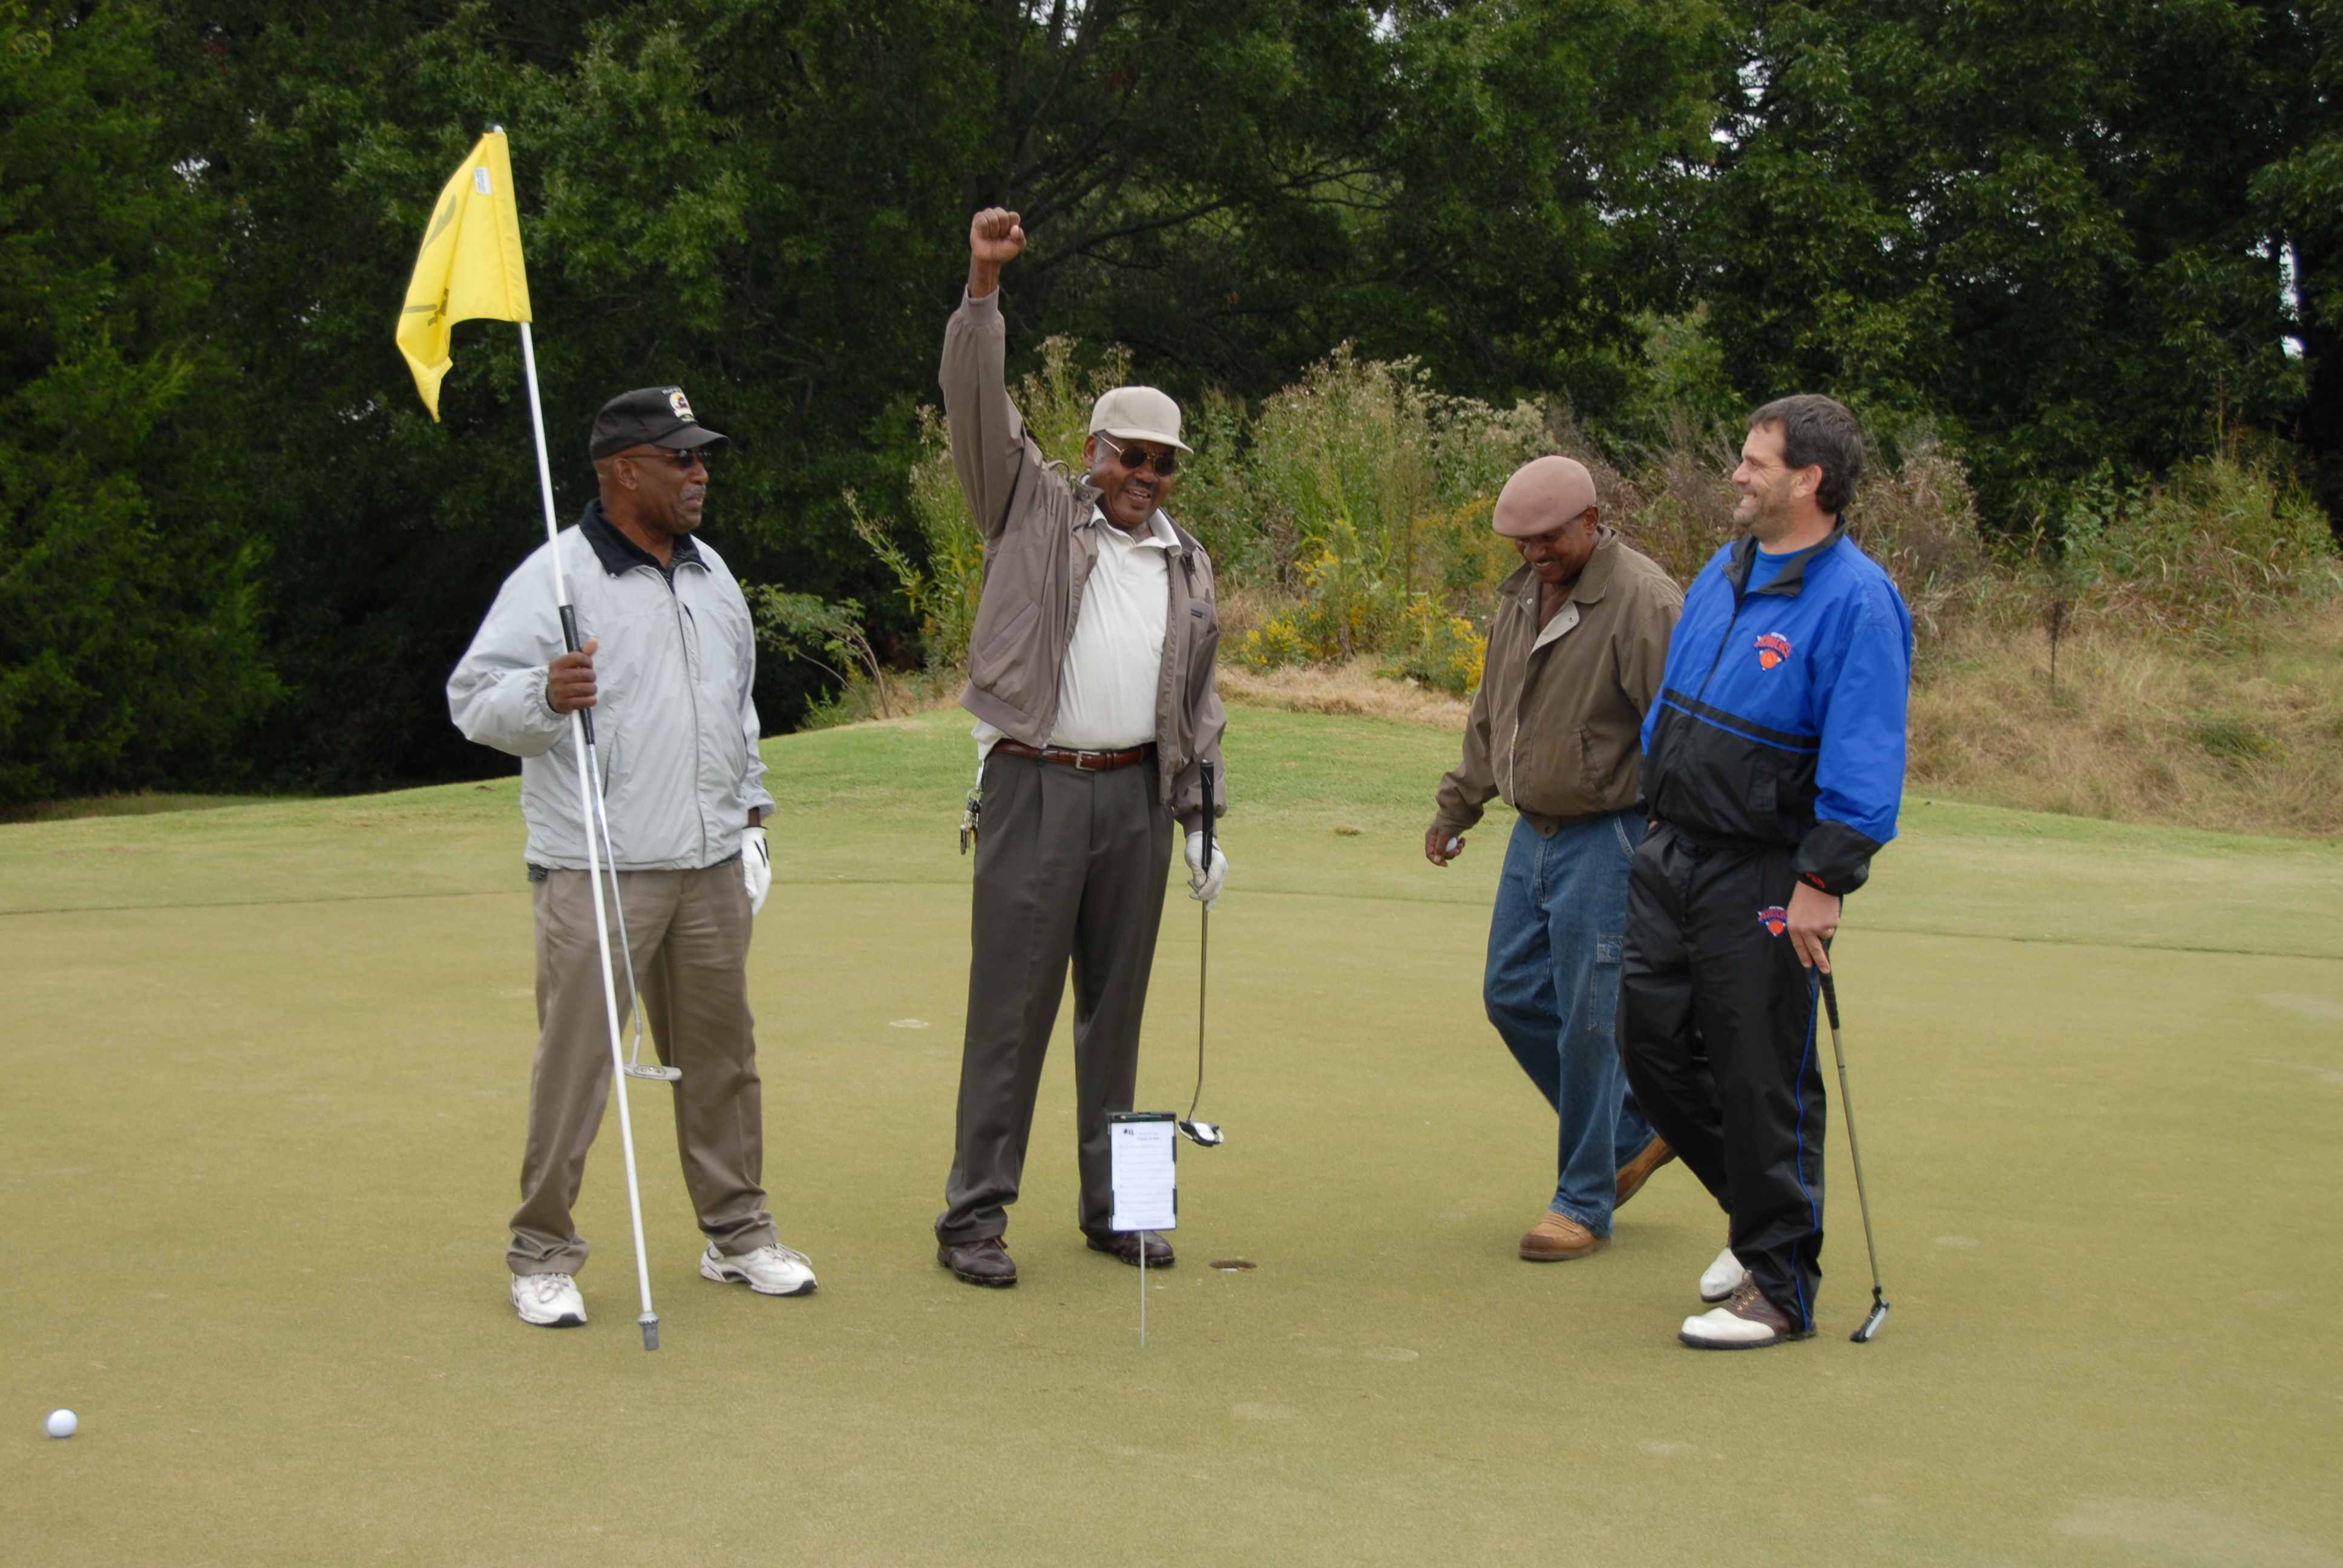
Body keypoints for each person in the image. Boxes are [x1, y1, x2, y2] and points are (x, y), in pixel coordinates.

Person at [448, 385, 816, 1328]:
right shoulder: (558, 578)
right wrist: (544, 694)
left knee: (723, 1061)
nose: (700, 474)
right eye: (679, 458)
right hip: (597, 867)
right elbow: (474, 700)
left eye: (702, 457)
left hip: (711, 862)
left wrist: (752, 817)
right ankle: (541, 1253)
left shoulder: (711, 573)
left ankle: (737, 1236)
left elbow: (736, 709)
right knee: (576, 1067)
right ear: (624, 470)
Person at [932, 207, 1228, 1288]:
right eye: (1131, 456)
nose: (1147, 474)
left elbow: (1197, 704)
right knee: (1011, 1014)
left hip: (1137, 799)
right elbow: (977, 405)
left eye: (1164, 462)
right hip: (1035, 787)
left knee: (1120, 1016)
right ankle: (974, 1217)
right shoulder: (1031, 508)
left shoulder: (1187, 562)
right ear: (1096, 452)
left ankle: (1123, 1211)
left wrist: (1201, 820)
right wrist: (983, 290)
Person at [1617, 394, 1912, 1349]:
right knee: (1650, 1047)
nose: (1737, 474)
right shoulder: (1728, 565)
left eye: (1756, 462)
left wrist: (1823, 881)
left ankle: (1779, 1288)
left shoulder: (1859, 599)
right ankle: (1757, 1218)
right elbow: (1674, 699)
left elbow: (1866, 753)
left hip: (1766, 868)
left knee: (1760, 1074)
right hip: (1674, 847)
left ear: (1810, 480)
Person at [1426, 457, 1684, 1263]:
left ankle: (1584, 1201)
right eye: (1521, 542)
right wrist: (1458, 805)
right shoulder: (1520, 598)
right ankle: (1635, 1132)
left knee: (1591, 1022)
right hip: (1530, 831)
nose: (1534, 554)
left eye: (1548, 539)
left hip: (1610, 834)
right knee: (1511, 994)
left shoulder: (1644, 600)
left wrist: (1672, 845)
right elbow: (1492, 714)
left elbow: (1678, 733)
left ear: (1591, 521)